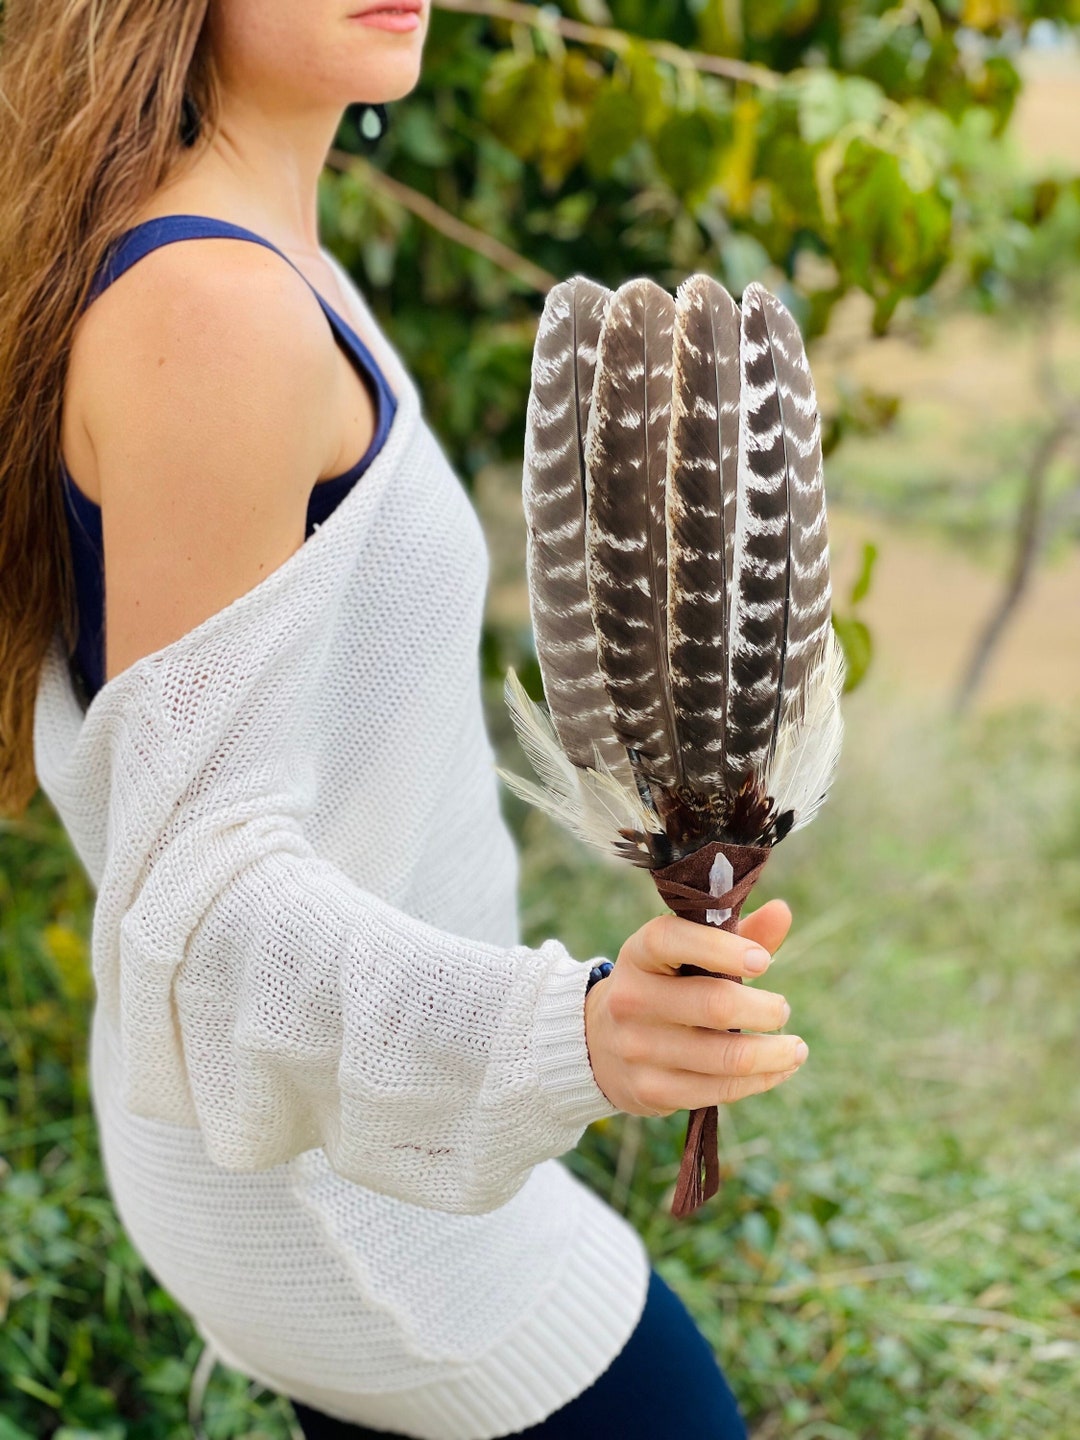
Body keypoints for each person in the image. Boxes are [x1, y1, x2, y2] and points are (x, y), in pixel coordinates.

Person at [0, 2, 809, 1436]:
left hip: (335, 1150)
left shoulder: (249, 253)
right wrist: (578, 1033)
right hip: (368, 1216)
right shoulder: (217, 307)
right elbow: (206, 902)